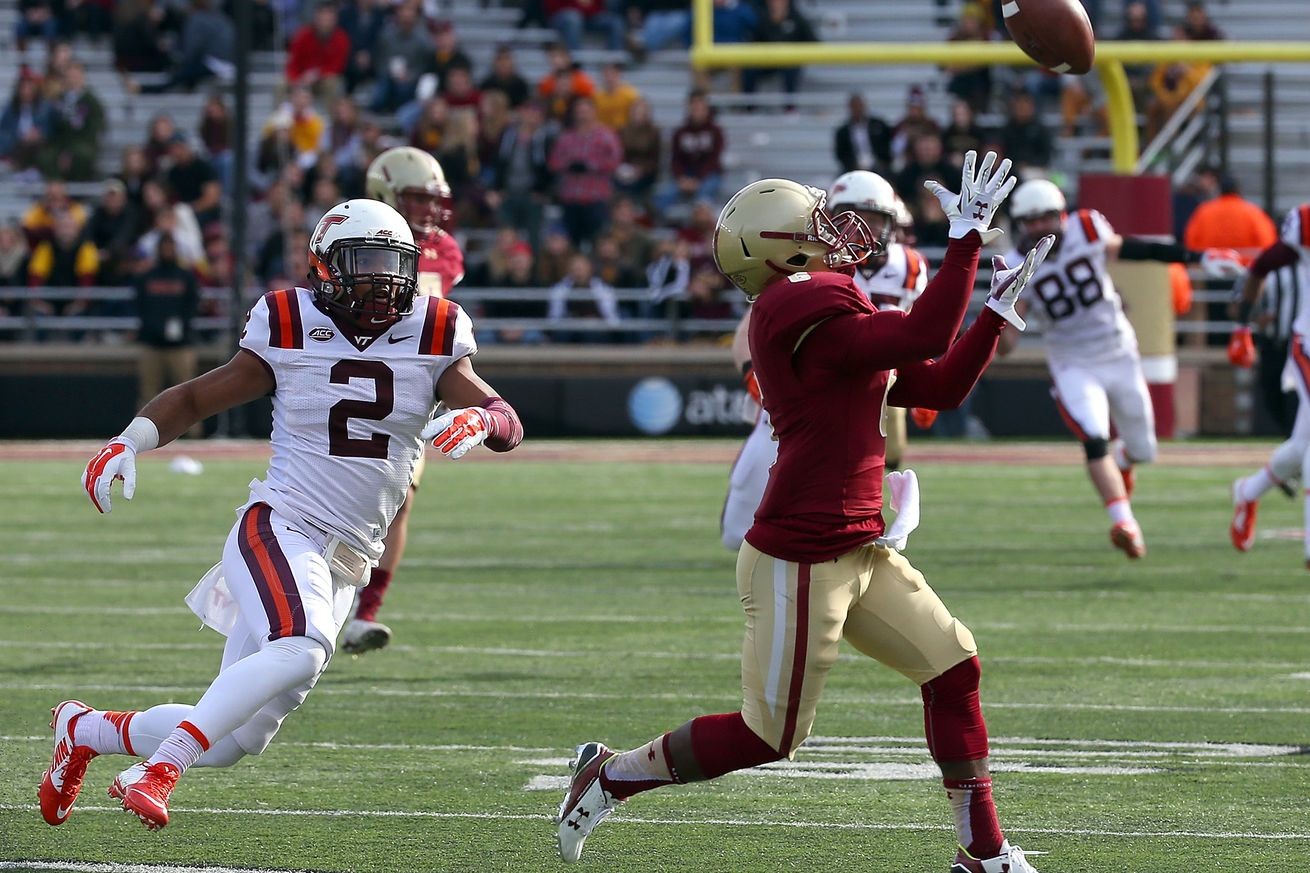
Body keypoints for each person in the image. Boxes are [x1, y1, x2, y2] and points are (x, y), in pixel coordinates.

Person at [556, 151, 1051, 873]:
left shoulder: (827, 302)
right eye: (815, 223)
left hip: (857, 545)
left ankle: (983, 851)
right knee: (771, 733)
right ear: (782, 245)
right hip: (800, 556)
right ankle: (610, 774)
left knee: (954, 666)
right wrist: (966, 243)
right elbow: (922, 336)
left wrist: (993, 316)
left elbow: (937, 384)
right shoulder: (795, 303)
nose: (834, 230)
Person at [46, 198, 522, 831]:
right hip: (281, 525)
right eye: (365, 264)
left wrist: (481, 417)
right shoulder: (287, 321)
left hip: (348, 561)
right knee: (302, 646)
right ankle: (162, 767)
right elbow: (195, 396)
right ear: (324, 269)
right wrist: (129, 440)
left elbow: (507, 419)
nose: (382, 280)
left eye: (393, 264)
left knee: (235, 740)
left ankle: (85, 730)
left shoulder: (435, 330)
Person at [998, 179, 1242, 558]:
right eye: (1032, 221)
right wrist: (992, 326)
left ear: (1062, 215)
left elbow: (1136, 249)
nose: (1041, 227)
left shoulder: (1087, 227)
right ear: (1020, 224)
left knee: (1145, 449)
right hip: (1073, 362)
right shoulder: (1015, 267)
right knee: (1094, 437)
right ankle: (1124, 521)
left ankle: (1126, 461)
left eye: (1047, 217)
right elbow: (1007, 345)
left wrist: (1196, 257)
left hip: (1118, 352)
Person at [720, 170, 931, 551]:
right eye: (852, 216)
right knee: (738, 529)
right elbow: (748, 331)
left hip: (867, 398)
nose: (861, 228)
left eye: (875, 219)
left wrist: (924, 381)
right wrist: (754, 376)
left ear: (892, 223)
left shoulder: (911, 267)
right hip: (805, 399)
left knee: (857, 498)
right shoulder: (812, 261)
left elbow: (918, 331)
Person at [337, 147, 467, 655]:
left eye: (432, 201)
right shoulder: (351, 234)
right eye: (416, 199)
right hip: (343, 380)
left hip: (407, 388)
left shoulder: (444, 251)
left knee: (397, 503)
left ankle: (364, 614)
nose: (428, 212)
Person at [1226, 203, 1310, 561]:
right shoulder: (1305, 222)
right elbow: (1261, 266)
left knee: (1300, 445)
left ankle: (1249, 491)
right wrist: (1244, 324)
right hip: (1309, 344)